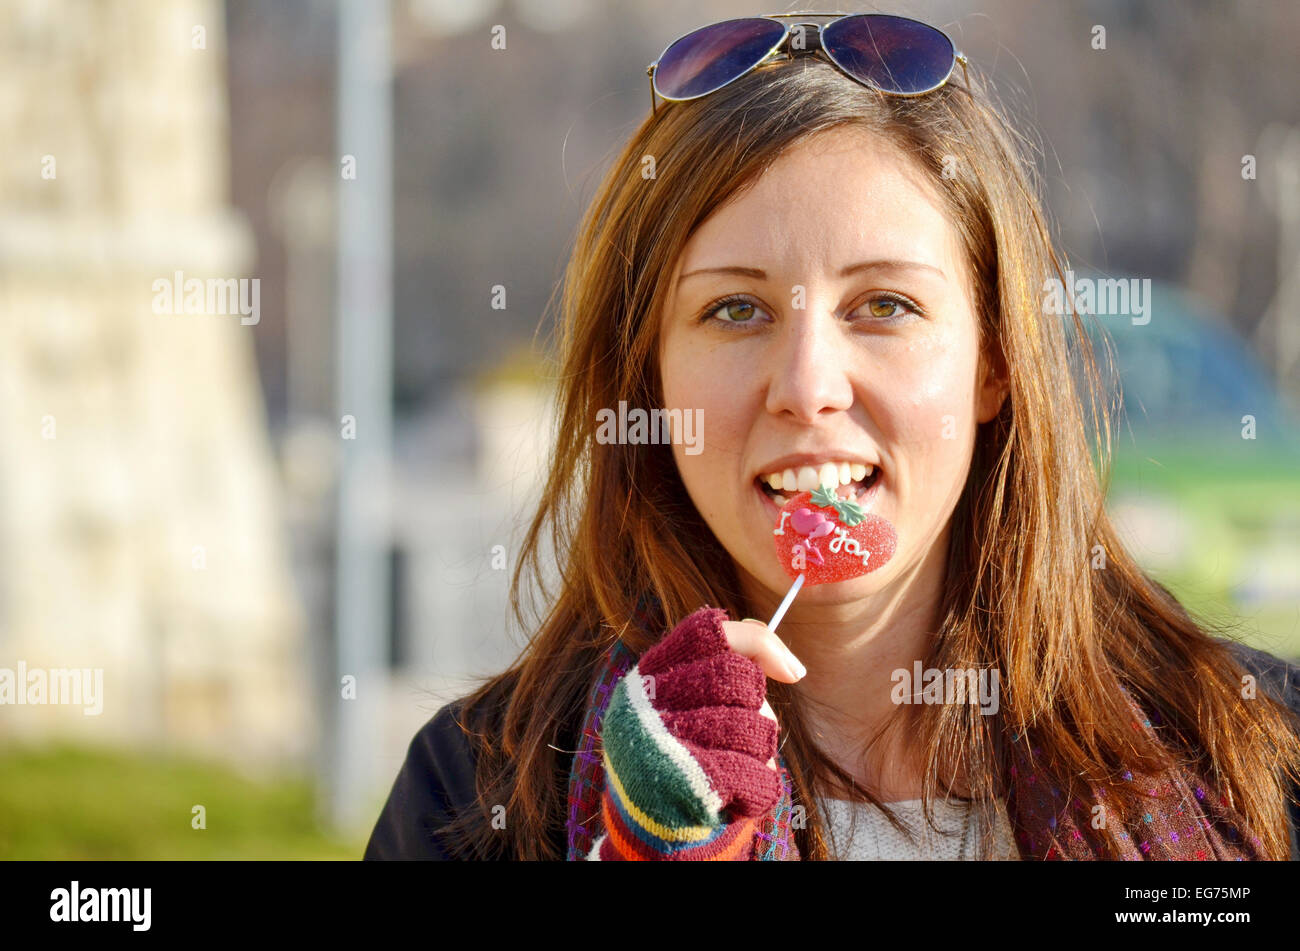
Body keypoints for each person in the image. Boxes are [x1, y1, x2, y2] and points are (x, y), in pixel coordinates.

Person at [365, 12, 1300, 860]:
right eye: (736, 309)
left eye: (884, 305)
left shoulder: (1258, 758)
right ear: (648, 373)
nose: (808, 387)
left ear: (994, 362)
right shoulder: (474, 799)